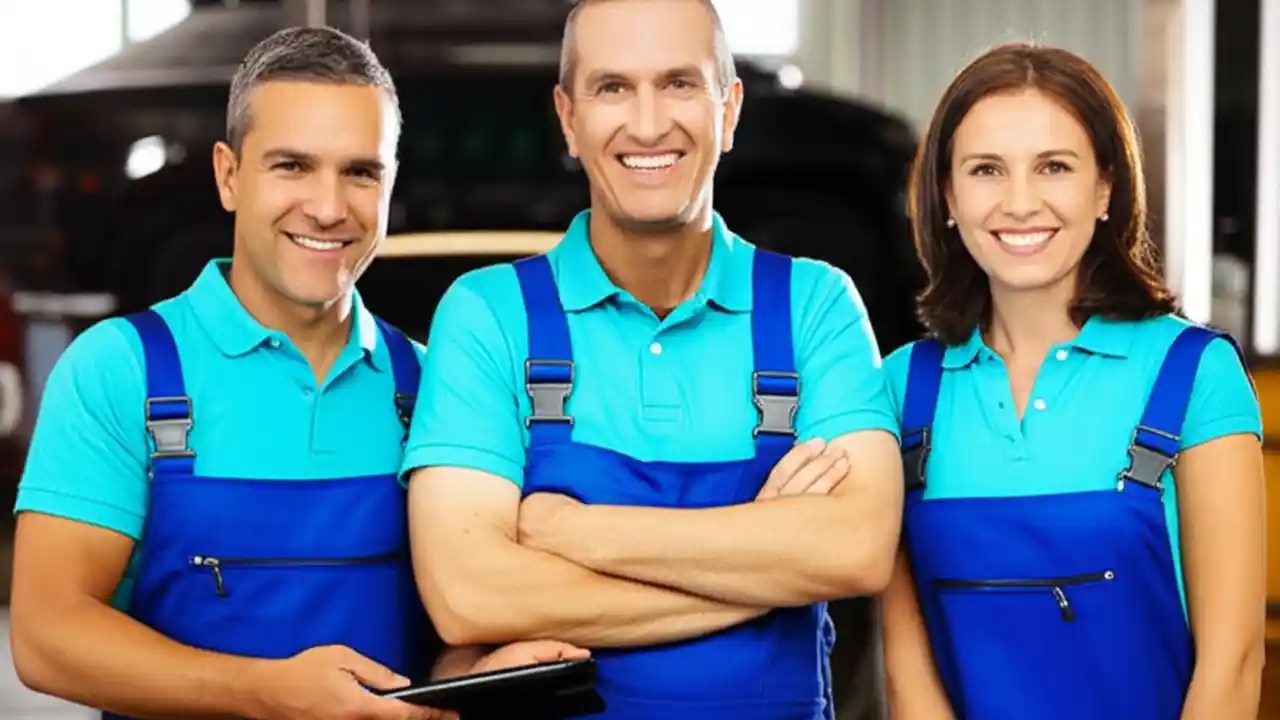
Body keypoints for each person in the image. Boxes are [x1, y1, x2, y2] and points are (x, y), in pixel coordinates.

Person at [10, 26, 581, 720]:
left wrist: (484, 670)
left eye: (360, 172)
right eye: (292, 166)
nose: (328, 206)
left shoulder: (430, 389)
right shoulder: (121, 372)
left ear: (390, 184)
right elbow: (46, 637)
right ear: (229, 175)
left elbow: (442, 633)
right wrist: (265, 693)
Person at [401, 0, 904, 718]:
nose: (646, 123)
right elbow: (466, 596)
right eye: (612, 88)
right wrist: (764, 566)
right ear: (568, 118)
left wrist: (574, 532)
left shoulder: (814, 307)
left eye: (678, 83)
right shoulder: (490, 316)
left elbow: (855, 550)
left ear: (728, 110)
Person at [880, 43, 1266, 719]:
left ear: (1106, 188)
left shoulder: (1194, 374)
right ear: (947, 194)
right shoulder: (899, 390)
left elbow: (1232, 664)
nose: (1021, 202)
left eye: (1054, 167)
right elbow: (908, 668)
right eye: (986, 170)